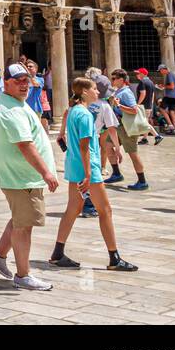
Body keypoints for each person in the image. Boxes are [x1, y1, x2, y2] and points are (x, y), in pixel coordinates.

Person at [47, 78, 138, 271]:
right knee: (105, 210)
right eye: (95, 89)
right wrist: (89, 174)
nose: (98, 92)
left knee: (73, 209)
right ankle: (114, 258)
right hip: (88, 169)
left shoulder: (72, 111)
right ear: (85, 92)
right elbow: (85, 147)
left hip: (73, 167)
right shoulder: (85, 115)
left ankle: (57, 253)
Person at [0, 63, 58, 292]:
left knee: (20, 218)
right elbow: (25, 145)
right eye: (18, 80)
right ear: (6, 82)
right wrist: (46, 172)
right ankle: (23, 275)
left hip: (19, 176)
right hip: (23, 177)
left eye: (27, 80)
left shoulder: (12, 103)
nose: (24, 84)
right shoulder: (12, 109)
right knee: (24, 225)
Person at [105, 69, 149, 189]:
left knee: (133, 153)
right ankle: (116, 173)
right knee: (108, 146)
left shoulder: (126, 93)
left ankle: (142, 181)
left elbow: (134, 110)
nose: (112, 80)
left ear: (121, 80)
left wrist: (119, 105)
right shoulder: (118, 91)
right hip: (118, 126)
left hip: (126, 128)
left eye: (114, 78)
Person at [158, 63, 175, 134]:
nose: (160, 72)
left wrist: (163, 86)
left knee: (161, 108)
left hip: (169, 96)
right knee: (172, 111)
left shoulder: (169, 75)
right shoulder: (172, 74)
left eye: (160, 70)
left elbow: (172, 86)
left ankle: (170, 125)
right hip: (174, 96)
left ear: (164, 69)